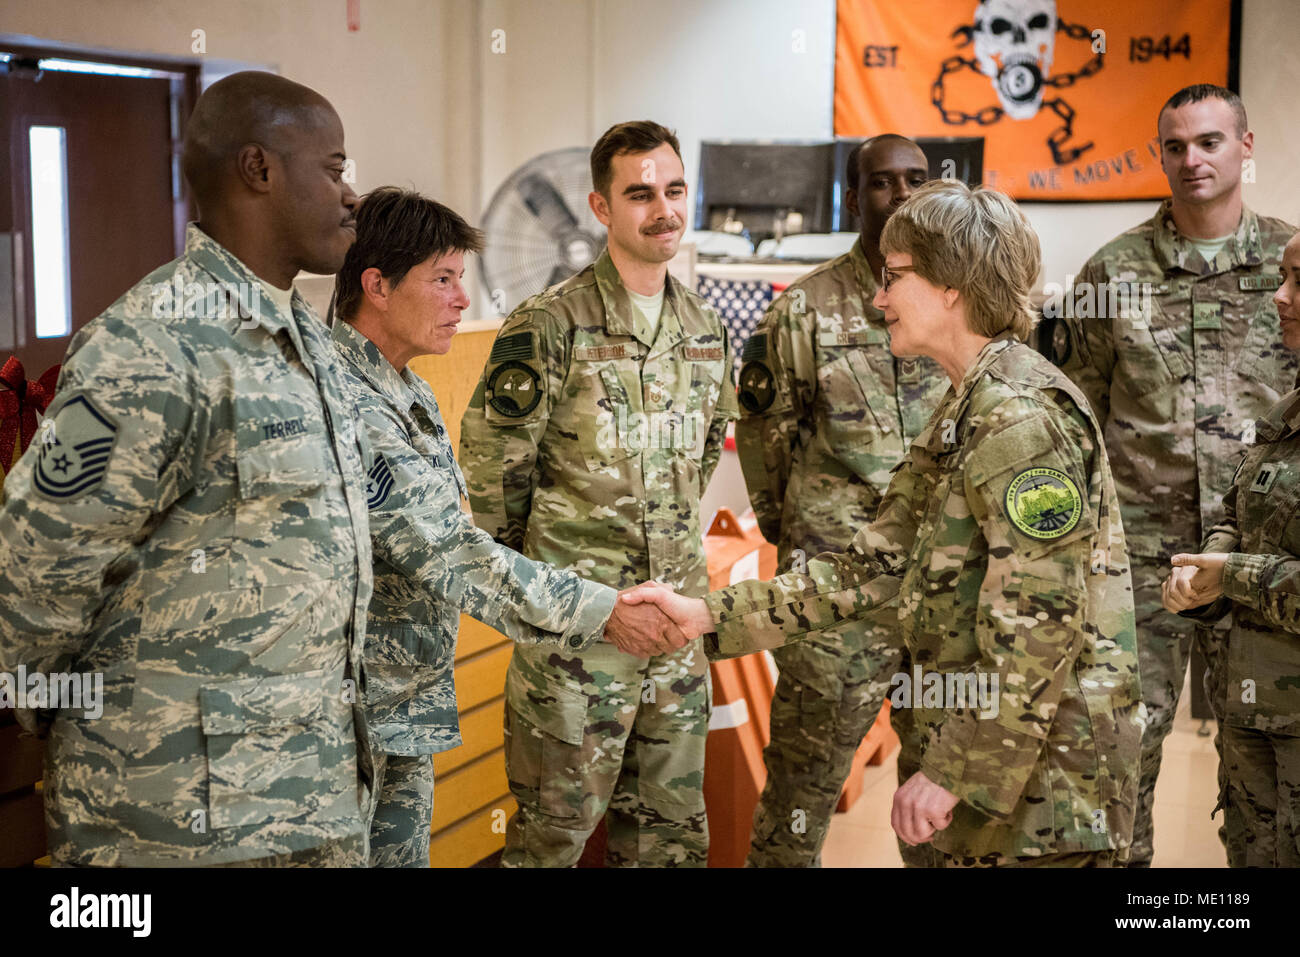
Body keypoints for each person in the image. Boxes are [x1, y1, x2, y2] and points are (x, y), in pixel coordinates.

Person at [627, 180, 1142, 867]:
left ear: (952, 287)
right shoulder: (968, 407)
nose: (877, 297)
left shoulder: (1020, 421)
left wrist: (958, 769)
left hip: (1040, 799)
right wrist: (703, 615)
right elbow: (870, 566)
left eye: (895, 277)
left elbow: (1041, 630)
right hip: (986, 778)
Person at [0, 72, 375, 866]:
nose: (352, 196)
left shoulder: (308, 341)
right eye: (335, 169)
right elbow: (34, 565)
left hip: (307, 798)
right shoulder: (149, 346)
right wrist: (66, 712)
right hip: (170, 818)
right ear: (259, 169)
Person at [329, 186, 686, 867]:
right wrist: (605, 612)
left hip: (398, 709)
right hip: (348, 723)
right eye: (442, 280)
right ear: (376, 285)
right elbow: (453, 553)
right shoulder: (348, 404)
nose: (463, 300)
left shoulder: (406, 386)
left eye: (460, 279)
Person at [459, 120, 738, 867]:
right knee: (551, 841)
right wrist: (554, 596)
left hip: (676, 638)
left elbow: (700, 455)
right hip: (578, 645)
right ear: (599, 207)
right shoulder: (549, 326)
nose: (663, 209)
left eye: (674, 190)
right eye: (640, 193)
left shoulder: (706, 329)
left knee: (672, 837)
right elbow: (492, 479)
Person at [1055, 84, 1298, 866]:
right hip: (1138, 563)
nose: (1192, 159)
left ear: (1246, 146)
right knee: (1118, 752)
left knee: (1264, 766)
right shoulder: (1111, 272)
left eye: (1209, 142)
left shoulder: (1292, 265)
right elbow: (1072, 419)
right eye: (1175, 146)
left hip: (1259, 566)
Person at [735, 134, 948, 868]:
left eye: (915, 180)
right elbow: (767, 438)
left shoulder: (957, 304)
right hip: (836, 595)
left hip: (941, 592)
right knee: (801, 792)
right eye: (882, 183)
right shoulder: (804, 311)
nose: (901, 196)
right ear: (854, 199)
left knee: (939, 795)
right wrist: (806, 535)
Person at [1162, 230, 1300, 867]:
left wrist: (1234, 574)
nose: (1281, 296)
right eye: (1283, 276)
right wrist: (1202, 576)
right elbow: (1239, 514)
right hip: (1255, 715)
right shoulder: (1286, 413)